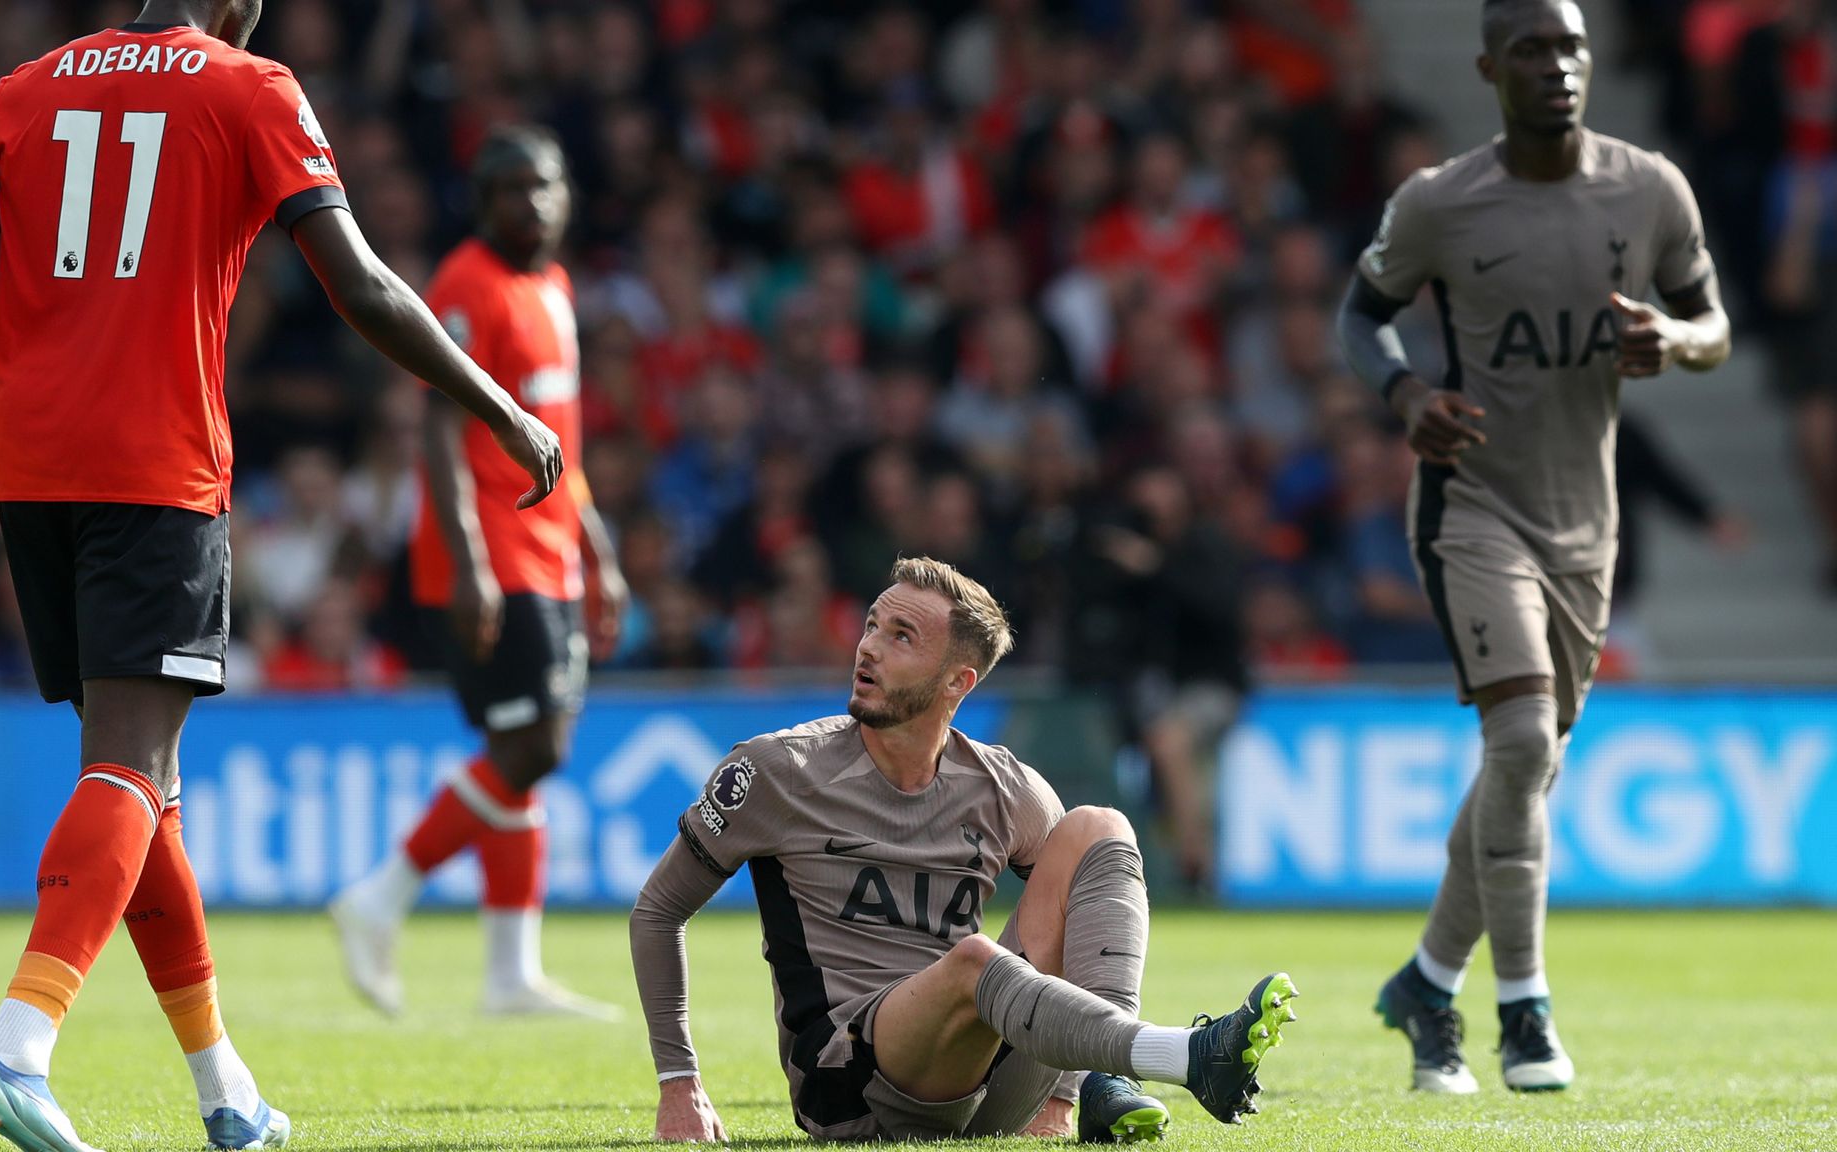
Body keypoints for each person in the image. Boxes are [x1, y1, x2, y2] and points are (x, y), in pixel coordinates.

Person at [0, 4, 563, 1150]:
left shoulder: (24, 88)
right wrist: (496, 405)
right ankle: (19, 1044)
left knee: (149, 794)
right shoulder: (251, 86)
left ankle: (225, 1090)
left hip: (33, 479)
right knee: (129, 771)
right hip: (156, 472)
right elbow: (362, 288)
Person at [1335, 0, 1730, 1096]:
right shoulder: (1437, 202)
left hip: (1583, 529)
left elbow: (1713, 325)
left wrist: (1677, 339)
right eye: (1529, 49)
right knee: (1517, 747)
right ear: (1485, 68)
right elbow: (1353, 318)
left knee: (1526, 765)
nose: (1555, 66)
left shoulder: (1647, 188)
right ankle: (1522, 1014)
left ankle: (1424, 982)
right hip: (1471, 505)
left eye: (1569, 46)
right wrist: (1404, 389)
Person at [630, 557, 1298, 1145]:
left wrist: (1055, 1092)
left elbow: (1079, 912)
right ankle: (1184, 1056)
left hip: (982, 1076)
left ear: (958, 683)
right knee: (972, 961)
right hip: (847, 1084)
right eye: (871, 625)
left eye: (901, 637)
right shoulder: (777, 770)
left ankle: (1093, 1086)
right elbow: (658, 911)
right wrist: (678, 1078)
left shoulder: (1001, 785)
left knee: (1097, 827)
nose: (868, 649)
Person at [331, 127, 627, 1021]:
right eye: (511, 189)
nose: (529, 204)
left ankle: (511, 975)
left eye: (544, 187)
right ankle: (380, 897)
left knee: (526, 755)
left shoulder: (555, 287)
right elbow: (441, 427)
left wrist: (599, 551)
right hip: (494, 554)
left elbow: (562, 446)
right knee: (534, 748)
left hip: (551, 549)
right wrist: (467, 564)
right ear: (484, 201)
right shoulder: (467, 284)